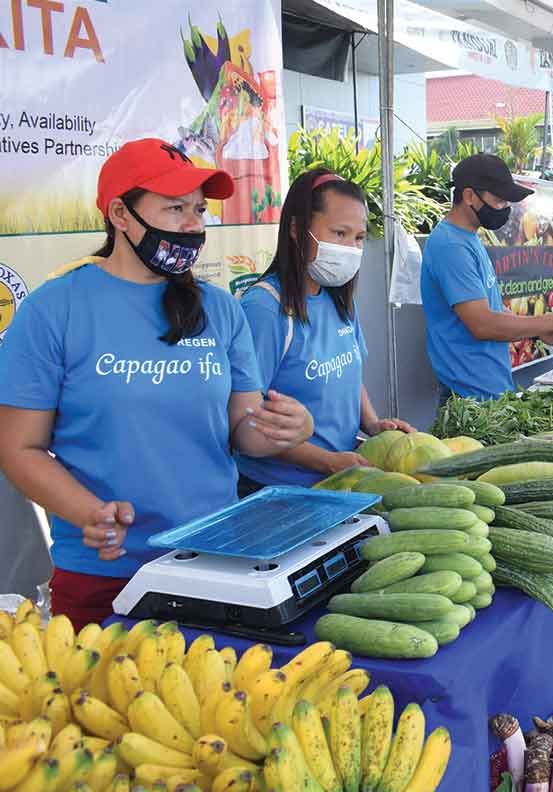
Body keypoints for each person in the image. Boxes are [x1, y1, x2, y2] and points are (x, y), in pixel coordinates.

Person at [0, 139, 314, 627]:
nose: (194, 224)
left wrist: (285, 430)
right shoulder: (53, 309)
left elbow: (243, 430)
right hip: (103, 573)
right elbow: (19, 447)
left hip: (215, 558)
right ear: (120, 214)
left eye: (198, 210)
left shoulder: (221, 309)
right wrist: (88, 513)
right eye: (175, 209)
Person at [235, 169, 416, 496]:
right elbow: (244, 421)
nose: (350, 248)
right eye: (339, 233)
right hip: (280, 492)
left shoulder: (338, 297)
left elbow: (349, 374)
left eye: (358, 238)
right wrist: (325, 461)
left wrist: (373, 424)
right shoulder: (263, 308)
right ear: (295, 229)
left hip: (337, 481)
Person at [421, 154, 553, 399]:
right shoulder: (450, 246)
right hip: (467, 397)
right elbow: (482, 324)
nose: (504, 209)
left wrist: (536, 331)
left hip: (489, 387)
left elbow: (491, 309)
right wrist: (552, 322)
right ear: (469, 196)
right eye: (499, 200)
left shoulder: (468, 238)